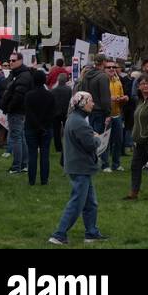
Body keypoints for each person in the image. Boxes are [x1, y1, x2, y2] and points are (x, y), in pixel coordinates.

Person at [49, 92, 109, 245]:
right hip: (80, 166)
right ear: (82, 104)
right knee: (77, 202)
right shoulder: (79, 122)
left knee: (90, 203)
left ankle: (91, 233)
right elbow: (90, 144)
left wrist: (91, 136)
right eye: (90, 101)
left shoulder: (75, 119)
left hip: (79, 166)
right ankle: (59, 234)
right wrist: (96, 138)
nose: (93, 104)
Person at [1, 50, 33, 175]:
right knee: (20, 137)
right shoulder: (17, 74)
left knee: (16, 138)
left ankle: (17, 166)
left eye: (13, 60)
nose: (10, 62)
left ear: (20, 61)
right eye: (10, 60)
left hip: (17, 111)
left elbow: (19, 95)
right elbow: (8, 88)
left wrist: (9, 107)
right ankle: (23, 164)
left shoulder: (23, 75)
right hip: (18, 110)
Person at [23, 68, 55, 186]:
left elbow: (28, 113)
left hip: (31, 127)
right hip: (46, 127)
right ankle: (44, 180)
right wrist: (44, 126)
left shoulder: (28, 95)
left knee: (32, 154)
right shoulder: (50, 95)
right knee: (44, 154)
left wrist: (37, 125)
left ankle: (31, 180)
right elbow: (52, 113)